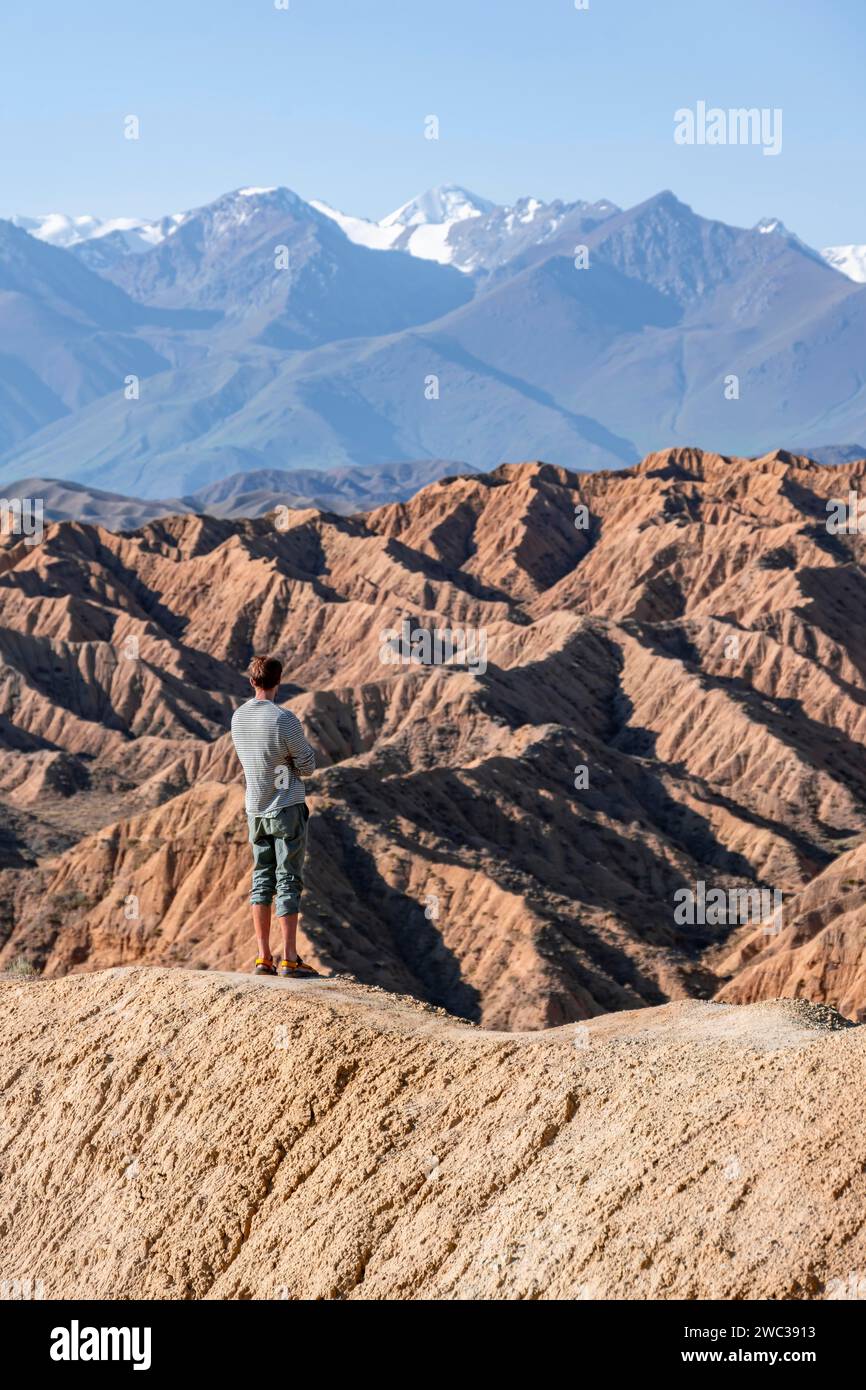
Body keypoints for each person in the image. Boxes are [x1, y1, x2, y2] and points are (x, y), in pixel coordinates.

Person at [230, 654, 319, 978]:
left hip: (255, 808)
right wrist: (291, 764)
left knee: (261, 881)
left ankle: (263, 957)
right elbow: (307, 766)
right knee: (288, 880)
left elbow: (253, 760)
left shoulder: (238, 718)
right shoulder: (284, 719)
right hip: (287, 807)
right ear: (278, 681)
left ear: (252, 681)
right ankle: (290, 958)